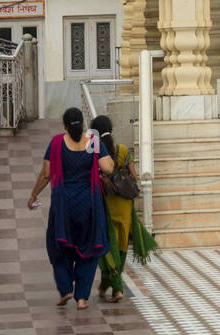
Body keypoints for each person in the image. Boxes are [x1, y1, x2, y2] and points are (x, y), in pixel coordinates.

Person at [27, 106, 114, 310]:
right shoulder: (93, 142)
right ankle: (82, 298)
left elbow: (46, 175)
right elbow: (108, 168)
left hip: (63, 204)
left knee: (59, 245)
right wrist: (104, 147)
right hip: (89, 204)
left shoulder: (57, 143)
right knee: (88, 248)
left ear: (64, 126)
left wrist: (33, 195)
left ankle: (66, 288)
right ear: (84, 123)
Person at [90, 115, 157, 303]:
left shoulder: (95, 152)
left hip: (106, 203)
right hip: (125, 204)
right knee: (120, 244)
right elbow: (134, 175)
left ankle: (116, 286)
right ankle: (106, 285)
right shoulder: (121, 150)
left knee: (107, 245)